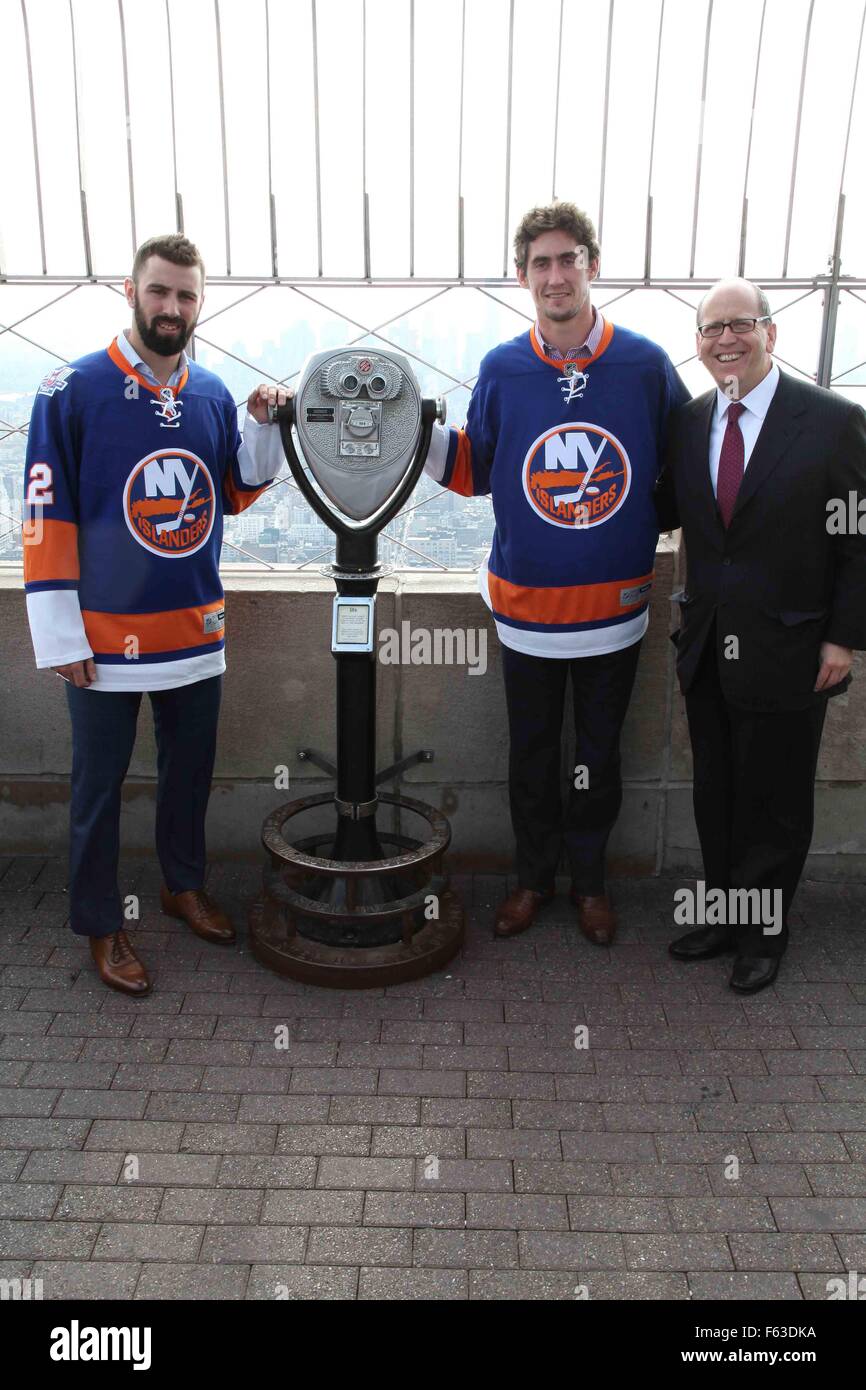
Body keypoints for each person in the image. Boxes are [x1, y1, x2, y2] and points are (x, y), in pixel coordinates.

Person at [22, 233, 290, 996]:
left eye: (186, 296)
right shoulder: (68, 390)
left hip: (195, 631)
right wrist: (60, 635)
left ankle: (182, 885)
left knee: (189, 775)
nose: (172, 307)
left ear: (199, 305)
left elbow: (232, 491)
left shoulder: (210, 392)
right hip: (102, 638)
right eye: (159, 291)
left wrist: (265, 425)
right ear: (131, 293)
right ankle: (102, 925)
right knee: (98, 788)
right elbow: (46, 514)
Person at [424, 201, 689, 943]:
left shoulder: (643, 362)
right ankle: (533, 881)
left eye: (568, 258)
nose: (555, 274)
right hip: (526, 612)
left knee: (600, 757)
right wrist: (414, 433)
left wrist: (643, 523)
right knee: (532, 755)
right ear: (522, 277)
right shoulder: (503, 366)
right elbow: (476, 470)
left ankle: (593, 885)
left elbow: (686, 461)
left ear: (593, 266)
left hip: (618, 608)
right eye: (540, 262)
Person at [656, 278, 866, 993]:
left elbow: (857, 540)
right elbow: (657, 509)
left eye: (739, 325)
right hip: (709, 641)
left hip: (794, 647)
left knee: (774, 799)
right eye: (711, 329)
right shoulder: (689, 423)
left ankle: (765, 935)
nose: (725, 340)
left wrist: (842, 640)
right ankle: (724, 914)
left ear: (771, 334)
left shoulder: (833, 421)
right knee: (716, 789)